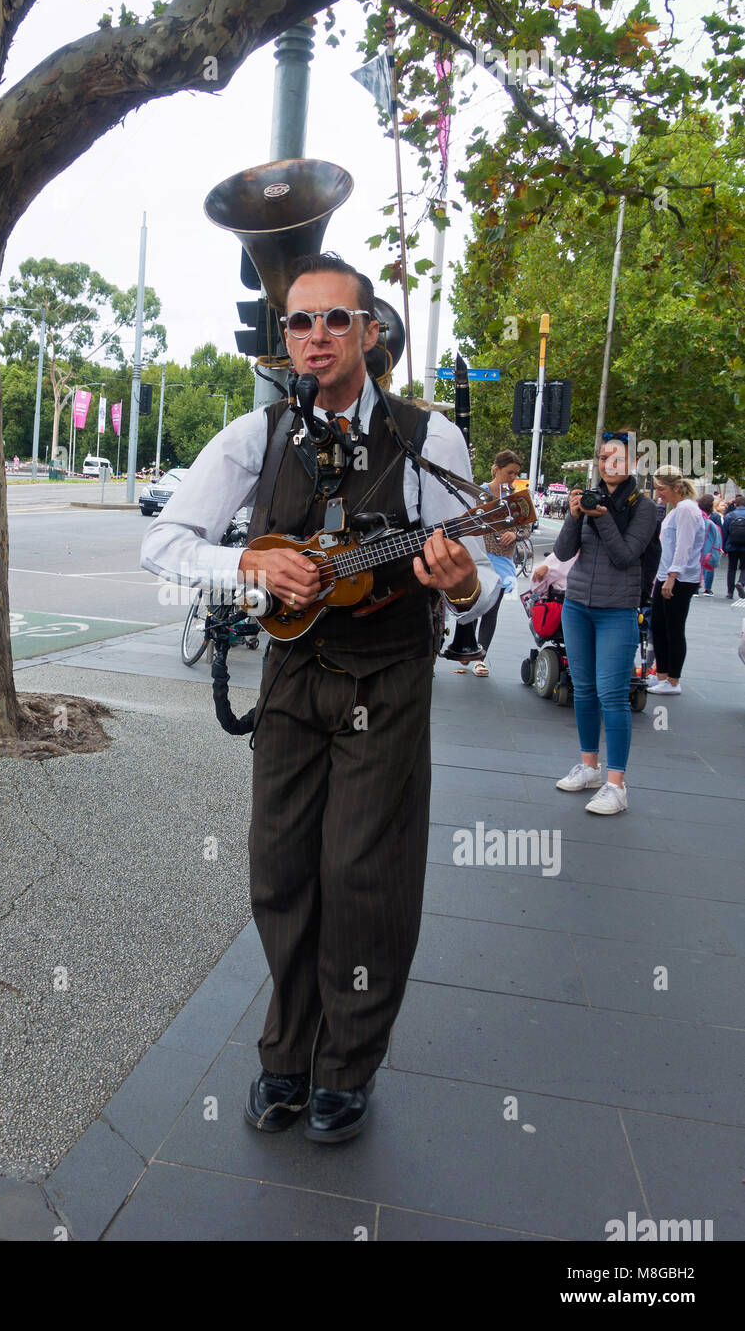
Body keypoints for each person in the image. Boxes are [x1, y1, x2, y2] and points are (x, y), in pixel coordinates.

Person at [140, 252, 498, 1143]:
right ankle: (285, 1056)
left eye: (336, 319)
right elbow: (166, 545)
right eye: (299, 322)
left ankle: (346, 1066)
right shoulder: (251, 437)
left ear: (371, 333)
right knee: (282, 870)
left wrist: (457, 587)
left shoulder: (428, 437)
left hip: (388, 674)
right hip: (293, 676)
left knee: (363, 877)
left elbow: (484, 576)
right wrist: (245, 562)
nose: (315, 337)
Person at [552, 432, 659, 815]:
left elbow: (626, 556)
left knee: (612, 696)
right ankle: (589, 766)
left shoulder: (644, 508)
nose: (607, 464)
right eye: (602, 457)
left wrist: (604, 518)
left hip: (618, 609)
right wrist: (574, 515)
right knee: (582, 690)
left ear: (631, 465)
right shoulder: (587, 499)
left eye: (616, 458)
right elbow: (564, 552)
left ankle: (616, 784)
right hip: (577, 605)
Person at [449, 448, 522, 676]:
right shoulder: (477, 494)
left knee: (492, 609)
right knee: (471, 604)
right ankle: (465, 648)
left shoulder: (516, 498)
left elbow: (526, 526)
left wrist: (516, 533)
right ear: (497, 470)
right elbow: (463, 522)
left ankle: (481, 657)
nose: (513, 478)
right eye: (510, 473)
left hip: (502, 560)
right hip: (478, 557)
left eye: (516, 474)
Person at [648, 467, 704, 692]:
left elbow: (684, 546)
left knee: (672, 628)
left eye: (661, 488)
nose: (658, 493)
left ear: (676, 488)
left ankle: (672, 680)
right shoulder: (679, 509)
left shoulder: (686, 510)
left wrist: (672, 576)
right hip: (669, 575)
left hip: (678, 578)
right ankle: (663, 676)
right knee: (660, 626)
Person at [696, 494, 723, 595]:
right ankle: (707, 588)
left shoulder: (697, 515)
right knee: (708, 565)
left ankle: (696, 587)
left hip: (698, 545)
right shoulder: (714, 517)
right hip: (709, 545)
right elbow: (720, 531)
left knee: (698, 565)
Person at [722, 494, 745, 599]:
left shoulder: (729, 516)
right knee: (744, 567)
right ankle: (741, 582)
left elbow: (724, 532)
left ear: (735, 505)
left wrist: (723, 547)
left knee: (731, 568)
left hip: (731, 545)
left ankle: (730, 592)